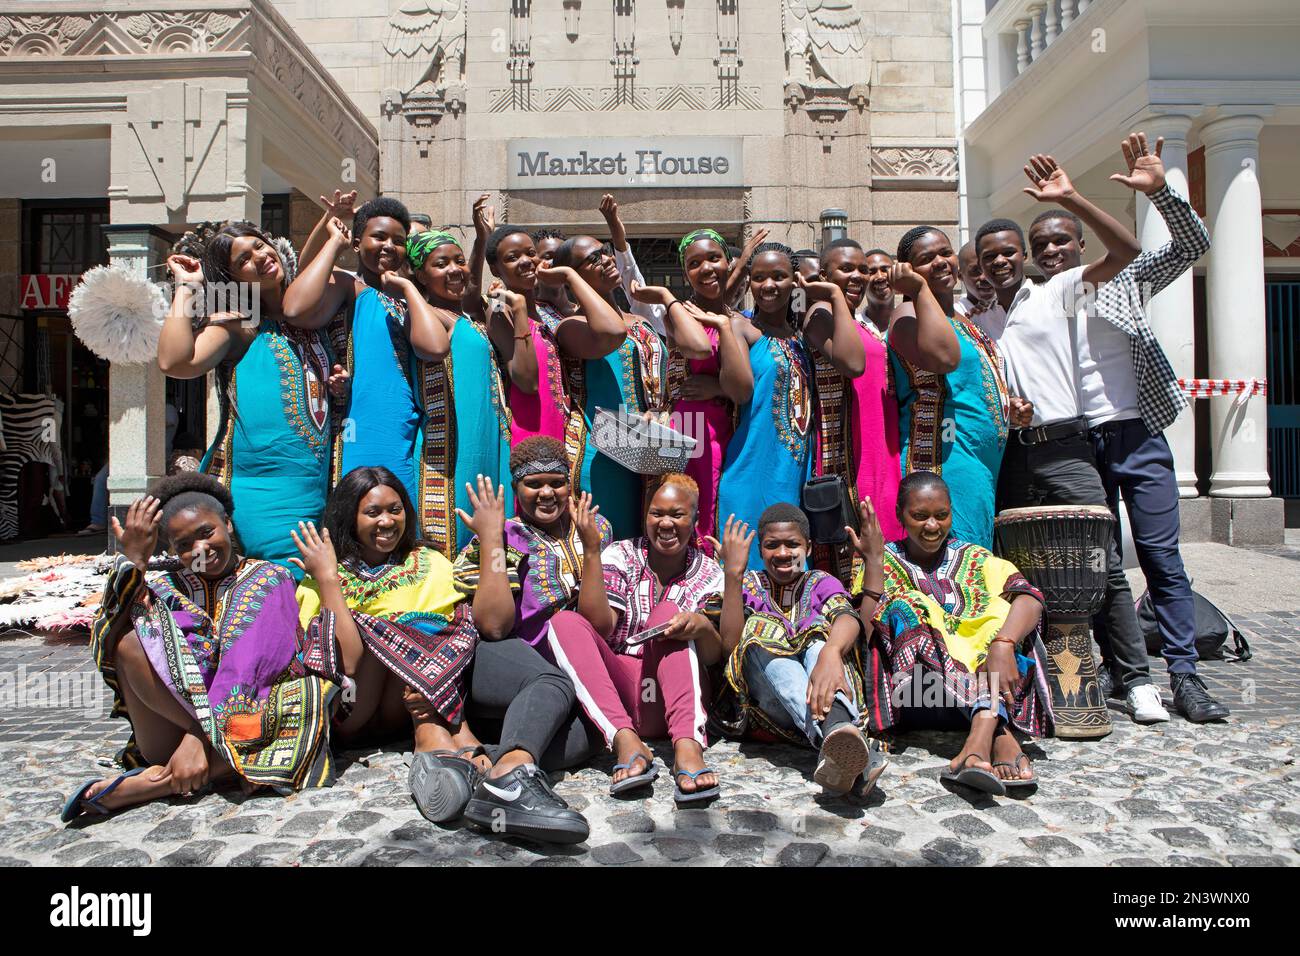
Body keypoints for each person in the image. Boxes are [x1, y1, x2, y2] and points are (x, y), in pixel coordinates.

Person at [1023, 132, 1228, 723]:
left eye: (1062, 240)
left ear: (1082, 241)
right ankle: (1118, 667)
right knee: (1099, 563)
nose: (1053, 250)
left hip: (1136, 432)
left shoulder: (1123, 278)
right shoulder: (1044, 300)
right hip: (1079, 444)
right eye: (1044, 244)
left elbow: (1192, 242)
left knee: (1163, 557)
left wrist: (1160, 191)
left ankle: (1185, 676)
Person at [63, 474, 338, 822]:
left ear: (227, 524)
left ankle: (155, 784)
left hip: (246, 722)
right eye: (183, 544)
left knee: (308, 695)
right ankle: (214, 768)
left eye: (207, 532)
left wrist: (200, 738)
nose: (200, 550)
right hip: (174, 732)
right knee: (131, 640)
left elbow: (252, 667)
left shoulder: (269, 577)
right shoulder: (164, 586)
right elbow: (107, 638)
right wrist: (135, 560)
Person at [293, 466, 486, 824]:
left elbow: (459, 636)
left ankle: (439, 734)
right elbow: (347, 663)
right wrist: (329, 580)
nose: (387, 521)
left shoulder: (430, 563)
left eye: (395, 510)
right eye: (373, 512)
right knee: (371, 628)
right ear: (349, 517)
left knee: (445, 625)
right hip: (352, 712)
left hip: (410, 703)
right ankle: (444, 733)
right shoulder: (323, 575)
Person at [157, 222, 347, 578]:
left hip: (316, 485)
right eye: (243, 259)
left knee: (312, 589)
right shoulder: (241, 326)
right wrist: (186, 289)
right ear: (233, 279)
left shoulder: (316, 317)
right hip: (261, 491)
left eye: (259, 246)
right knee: (278, 584)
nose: (259, 258)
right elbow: (175, 362)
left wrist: (339, 387)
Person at [851, 472, 1052, 794]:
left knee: (1007, 615)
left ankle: (978, 738)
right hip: (919, 696)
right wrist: (873, 561)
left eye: (941, 515)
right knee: (907, 607)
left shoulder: (976, 557)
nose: (932, 526)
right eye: (919, 516)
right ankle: (995, 733)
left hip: (988, 685)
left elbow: (1029, 596)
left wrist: (1002, 644)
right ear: (901, 515)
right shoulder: (883, 560)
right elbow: (862, 630)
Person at [452, 438, 612, 837]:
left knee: (593, 733)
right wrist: (492, 542)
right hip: (502, 662)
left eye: (557, 482)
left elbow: (600, 626)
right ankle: (511, 782)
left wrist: (591, 549)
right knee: (551, 680)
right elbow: (493, 626)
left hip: (567, 675)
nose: (546, 493)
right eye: (533, 484)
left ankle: (477, 765)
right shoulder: (506, 535)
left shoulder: (596, 528)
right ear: (517, 488)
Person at [546, 475, 725, 803]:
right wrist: (591, 550)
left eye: (677, 514)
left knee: (667, 613)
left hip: (671, 698)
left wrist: (700, 627)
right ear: (645, 516)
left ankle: (687, 747)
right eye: (657, 513)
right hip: (621, 699)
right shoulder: (621, 555)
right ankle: (626, 742)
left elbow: (715, 657)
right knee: (564, 623)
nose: (666, 523)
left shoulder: (710, 573)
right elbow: (600, 626)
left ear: (695, 520)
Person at [281, 196, 450, 513]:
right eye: (379, 237)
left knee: (401, 513)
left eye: (399, 241)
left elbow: (435, 348)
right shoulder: (349, 285)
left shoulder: (407, 297)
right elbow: (295, 306)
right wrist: (334, 241)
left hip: (408, 422)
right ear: (358, 243)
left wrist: (409, 290)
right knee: (363, 510)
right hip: (363, 422)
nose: (389, 246)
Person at [714, 503, 886, 796]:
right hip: (770, 706)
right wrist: (733, 576)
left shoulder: (819, 581)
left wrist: (831, 653)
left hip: (828, 686)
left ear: (807, 548)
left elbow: (847, 617)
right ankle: (845, 736)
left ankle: (840, 742)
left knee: (820, 637)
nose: (782, 553)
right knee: (758, 629)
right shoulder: (750, 585)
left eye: (792, 544)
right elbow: (731, 646)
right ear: (760, 550)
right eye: (772, 545)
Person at [718, 242, 865, 569]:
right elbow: (739, 387)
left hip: (796, 470)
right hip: (751, 467)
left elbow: (854, 364)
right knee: (749, 568)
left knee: (791, 567)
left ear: (794, 281)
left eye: (779, 276)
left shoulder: (801, 334)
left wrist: (835, 295)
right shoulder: (740, 327)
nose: (768, 285)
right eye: (759, 277)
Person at [406, 200, 532, 555]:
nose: (454, 270)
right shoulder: (429, 315)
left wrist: (482, 238)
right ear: (420, 274)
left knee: (495, 533)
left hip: (489, 439)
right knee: (454, 533)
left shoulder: (466, 318)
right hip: (452, 448)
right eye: (440, 264)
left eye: (458, 261)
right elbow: (434, 342)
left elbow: (471, 289)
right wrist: (409, 292)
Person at [893, 226, 1031, 548]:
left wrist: (1008, 406)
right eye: (927, 259)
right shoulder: (906, 314)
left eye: (945, 252)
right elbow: (945, 358)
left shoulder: (963, 317)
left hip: (981, 462)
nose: (941, 262)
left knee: (975, 557)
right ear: (908, 270)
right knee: (959, 555)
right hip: (946, 455)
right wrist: (919, 290)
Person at [629, 228, 753, 552]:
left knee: (724, 508)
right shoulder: (680, 313)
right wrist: (668, 298)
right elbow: (698, 347)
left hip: (732, 427)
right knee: (692, 508)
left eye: (714, 258)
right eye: (694, 263)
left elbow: (743, 386)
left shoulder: (739, 320)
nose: (706, 268)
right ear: (685, 273)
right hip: (690, 426)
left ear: (728, 262)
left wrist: (718, 387)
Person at [549, 229, 671, 536]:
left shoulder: (640, 321)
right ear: (572, 279)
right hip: (603, 454)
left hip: (650, 450)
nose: (605, 259)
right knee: (611, 547)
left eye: (604, 251)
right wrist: (567, 276)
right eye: (592, 260)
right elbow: (610, 334)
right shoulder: (570, 326)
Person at [480, 225, 626, 466]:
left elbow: (614, 331)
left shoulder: (549, 315)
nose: (526, 261)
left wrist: (568, 275)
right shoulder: (498, 309)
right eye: (513, 258)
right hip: (529, 430)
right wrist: (517, 311)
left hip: (561, 429)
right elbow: (527, 382)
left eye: (529, 252)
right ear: (496, 269)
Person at [817, 241, 906, 547]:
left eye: (862, 270)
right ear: (823, 273)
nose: (857, 276)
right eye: (846, 269)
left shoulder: (858, 322)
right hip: (850, 449)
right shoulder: (820, 315)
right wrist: (831, 294)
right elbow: (853, 363)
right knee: (861, 532)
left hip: (879, 440)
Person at [957, 240, 994, 309]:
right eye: (976, 271)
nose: (985, 277)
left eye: (990, 269)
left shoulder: (1009, 311)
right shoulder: (953, 316)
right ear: (960, 275)